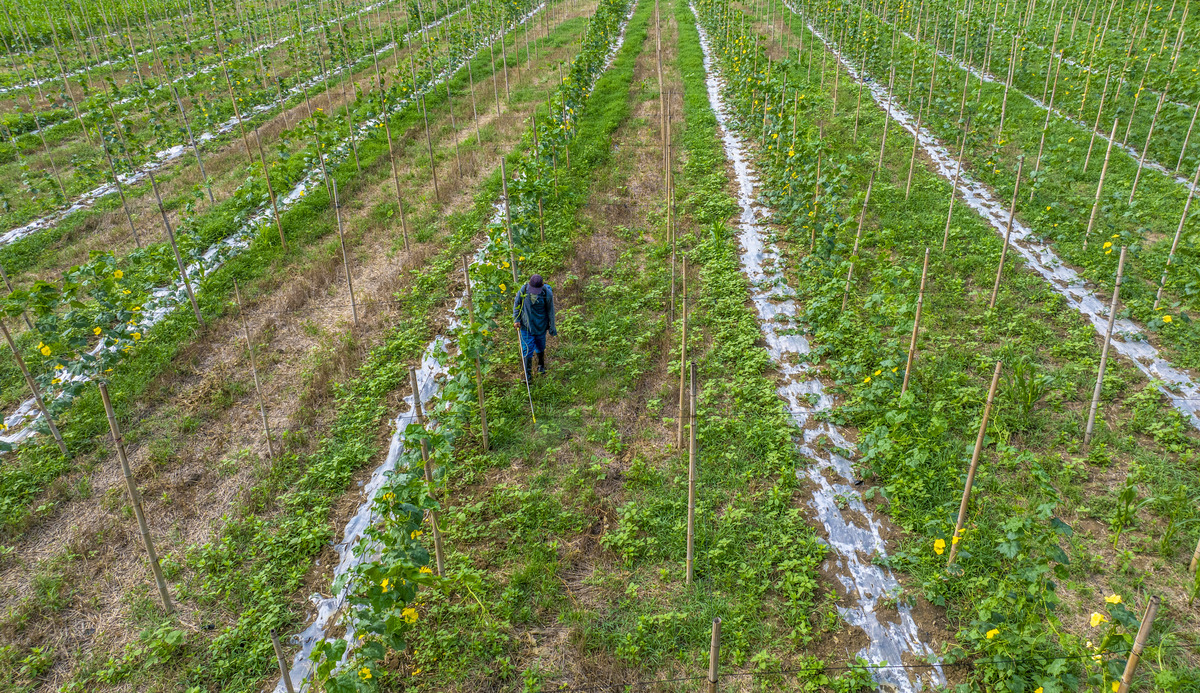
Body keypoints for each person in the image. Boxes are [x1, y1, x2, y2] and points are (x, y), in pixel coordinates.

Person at [513, 273, 556, 380]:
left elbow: (551, 311)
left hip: (540, 325)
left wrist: (552, 326)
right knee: (527, 349)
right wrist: (516, 319)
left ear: (542, 286)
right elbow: (516, 304)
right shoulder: (523, 291)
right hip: (526, 326)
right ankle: (528, 376)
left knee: (540, 346)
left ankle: (541, 365)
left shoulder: (547, 293)